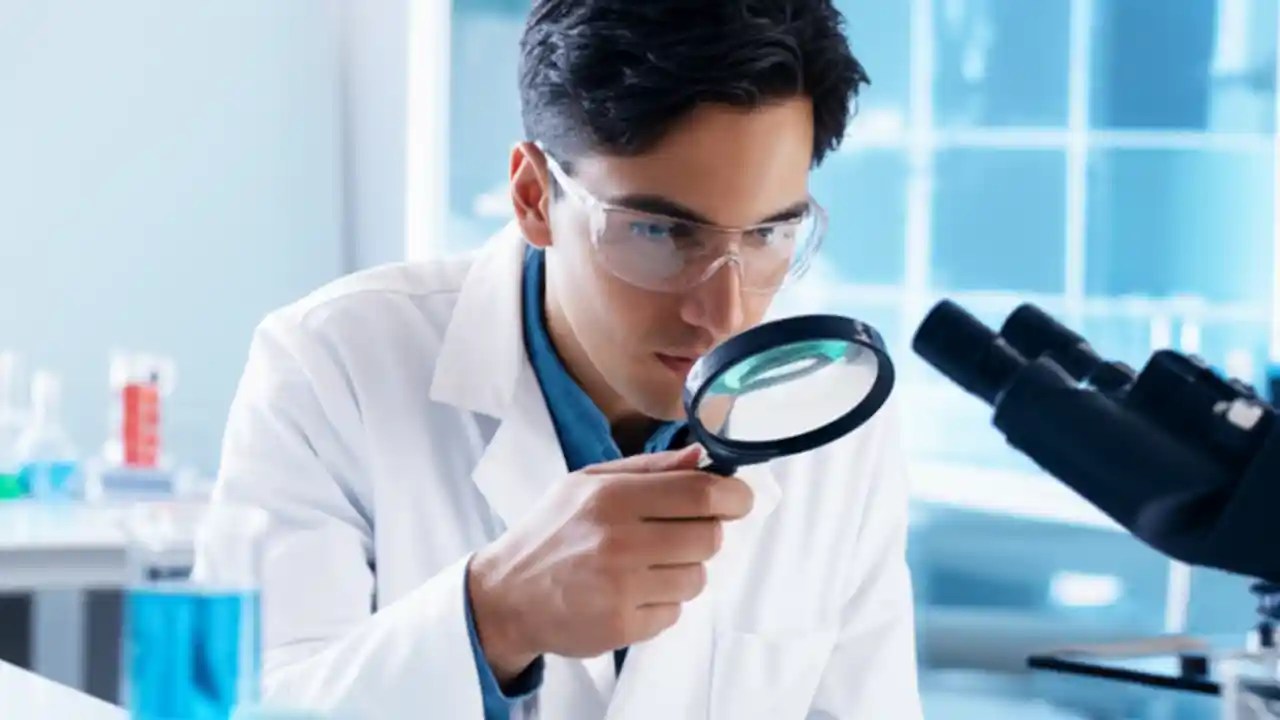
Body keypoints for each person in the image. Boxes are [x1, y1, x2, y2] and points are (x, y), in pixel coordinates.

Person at [202, 1, 921, 717]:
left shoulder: (835, 420)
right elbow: (239, 706)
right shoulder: (332, 367)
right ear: (533, 196)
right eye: (661, 233)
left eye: (767, 234)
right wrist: (496, 616)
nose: (723, 315)